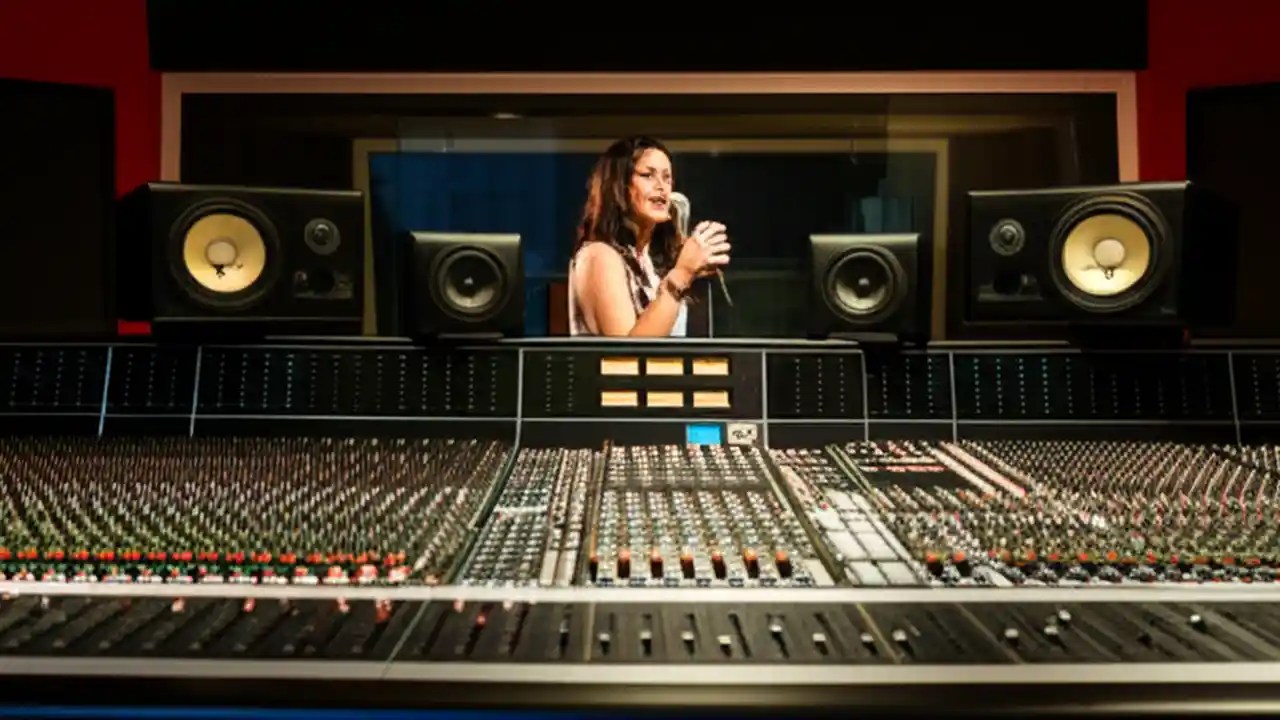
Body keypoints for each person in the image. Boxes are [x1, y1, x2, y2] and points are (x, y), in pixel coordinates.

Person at [567, 135, 731, 337]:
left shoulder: (650, 262)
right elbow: (628, 352)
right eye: (647, 175)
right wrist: (682, 274)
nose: (661, 186)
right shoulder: (599, 255)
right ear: (620, 186)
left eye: (667, 177)